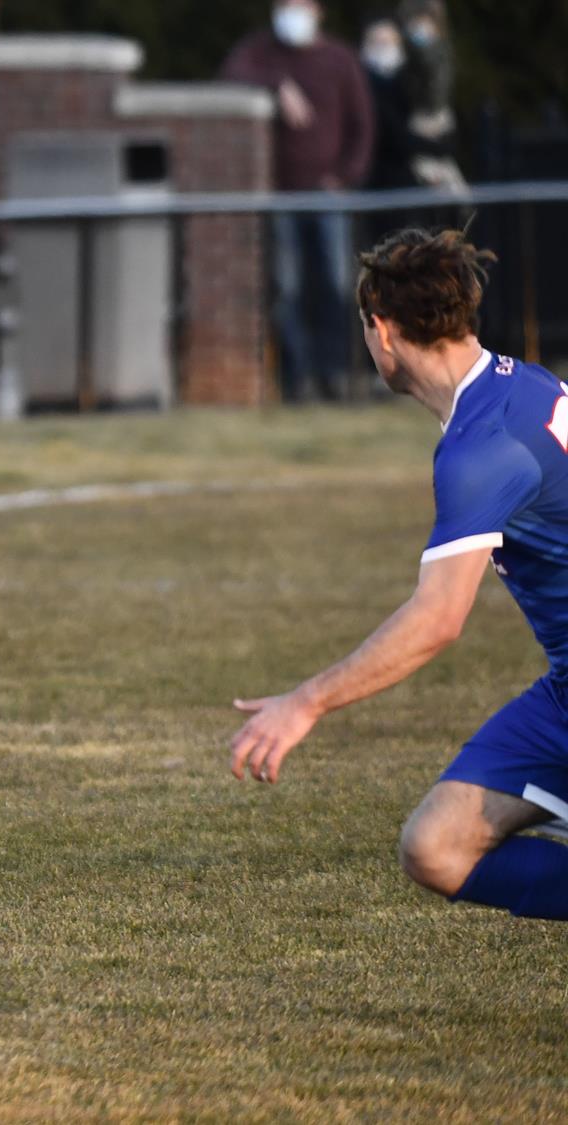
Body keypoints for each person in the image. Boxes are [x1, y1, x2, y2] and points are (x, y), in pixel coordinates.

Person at [230, 228, 568, 922]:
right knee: (436, 847)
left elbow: (438, 619)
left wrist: (307, 701)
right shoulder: (524, 383)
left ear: (382, 331)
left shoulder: (479, 449)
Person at [221, 0, 375, 403]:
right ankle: (298, 377)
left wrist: (343, 178)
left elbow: (363, 125)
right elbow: (232, 73)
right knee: (286, 288)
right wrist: (278, 85)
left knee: (334, 285)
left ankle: (334, 373)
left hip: (327, 195)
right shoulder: (262, 52)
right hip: (282, 195)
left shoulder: (339, 60)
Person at [398, 0, 463, 191]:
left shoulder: (440, 48)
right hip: (418, 117)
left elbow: (438, 80)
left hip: (437, 116)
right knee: (426, 175)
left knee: (449, 184)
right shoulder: (412, 48)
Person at [361, 20, 417, 192]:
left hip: (407, 173)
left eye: (389, 42)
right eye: (377, 42)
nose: (383, 47)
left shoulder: (411, 82)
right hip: (369, 174)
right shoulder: (359, 83)